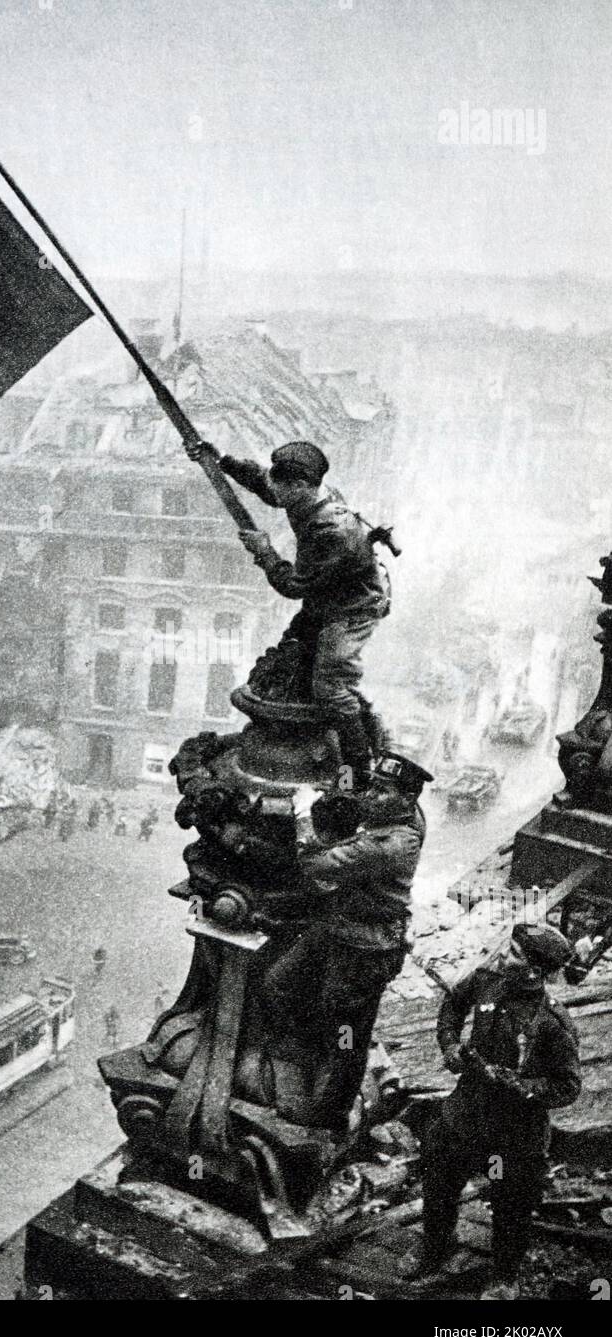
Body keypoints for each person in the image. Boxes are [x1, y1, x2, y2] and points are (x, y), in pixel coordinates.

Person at [186, 438, 390, 782]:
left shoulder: (330, 530)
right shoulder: (309, 493)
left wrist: (264, 552)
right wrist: (222, 461)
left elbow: (294, 586)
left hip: (352, 608)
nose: (275, 495)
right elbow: (266, 485)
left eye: (282, 488)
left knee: (331, 689)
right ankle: (355, 732)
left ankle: (354, 777)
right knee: (290, 657)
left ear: (299, 486)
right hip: (327, 597)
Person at [398, 921, 581, 1300]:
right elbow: (453, 1004)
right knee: (438, 1183)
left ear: (536, 970)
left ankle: (503, 1277)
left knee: (511, 1206)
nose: (503, 956)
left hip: (514, 1132)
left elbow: (567, 1088)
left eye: (514, 954)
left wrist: (518, 1085)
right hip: (464, 1115)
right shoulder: (486, 980)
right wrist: (450, 1046)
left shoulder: (552, 1022)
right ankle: (434, 1249)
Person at [263, 752, 431, 1132]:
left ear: (407, 800)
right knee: (279, 984)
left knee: (347, 1034)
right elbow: (362, 802)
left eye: (383, 791)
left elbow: (314, 864)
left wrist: (303, 813)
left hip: (365, 948)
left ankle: (330, 1112)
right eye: (372, 785)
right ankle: (307, 1064)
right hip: (339, 926)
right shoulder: (399, 816)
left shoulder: (391, 844)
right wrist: (332, 787)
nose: (371, 795)